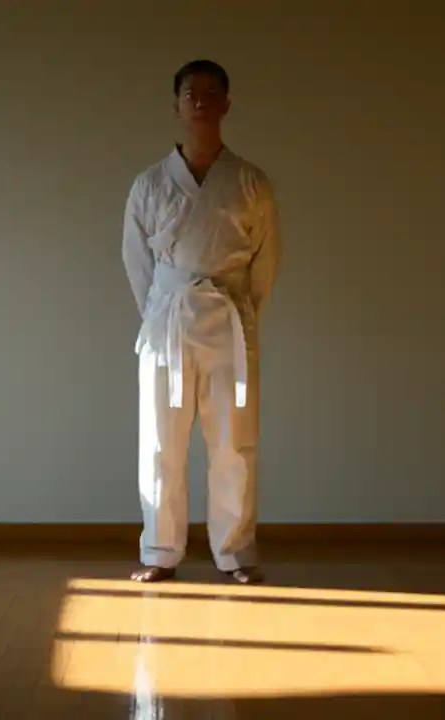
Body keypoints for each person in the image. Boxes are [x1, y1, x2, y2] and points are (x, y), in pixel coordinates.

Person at [121, 59, 283, 584]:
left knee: (233, 444)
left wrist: (241, 314)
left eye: (211, 93)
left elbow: (265, 262)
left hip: (229, 320)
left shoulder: (250, 181)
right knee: (160, 443)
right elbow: (137, 263)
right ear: (176, 104)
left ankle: (235, 552)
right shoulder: (149, 184)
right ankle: (160, 550)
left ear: (226, 104)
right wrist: (161, 310)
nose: (200, 101)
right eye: (190, 93)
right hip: (167, 322)